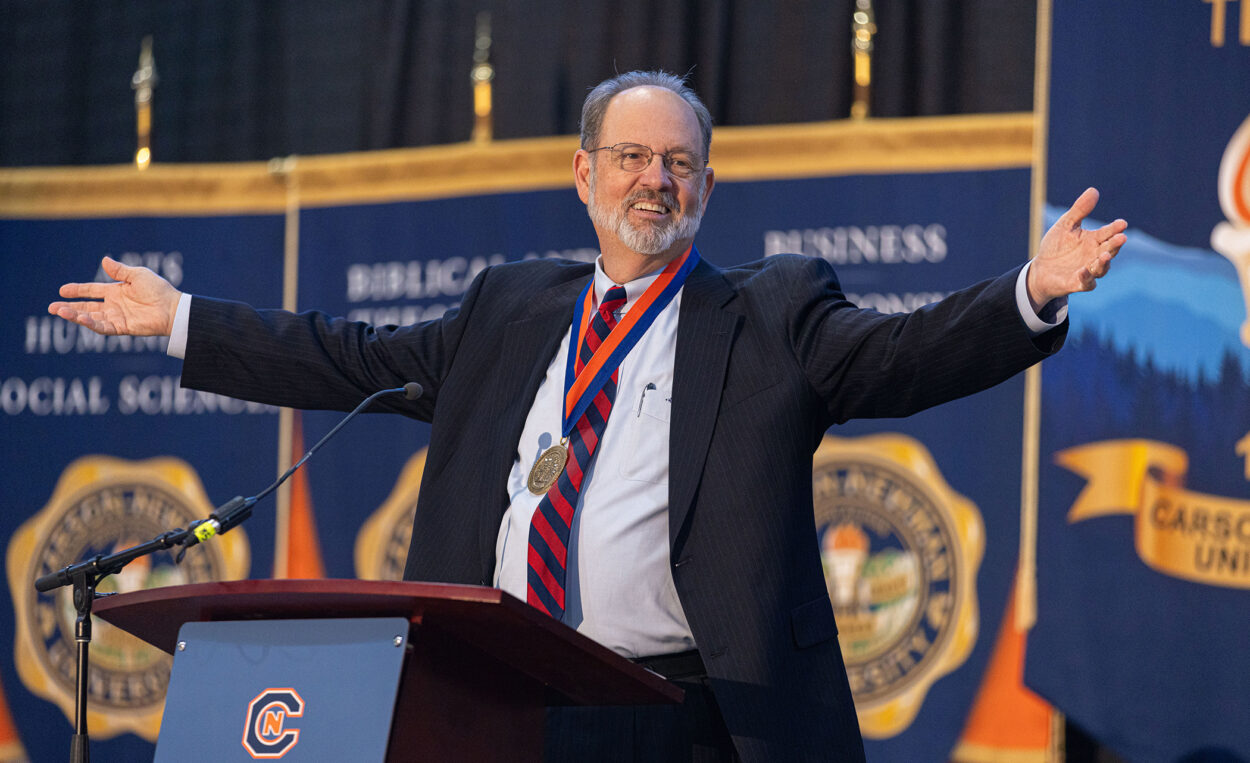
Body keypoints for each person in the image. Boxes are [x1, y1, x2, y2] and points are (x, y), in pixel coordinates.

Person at [50, 70, 1125, 762]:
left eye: (679, 163)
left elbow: (901, 355)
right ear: (584, 173)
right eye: (632, 158)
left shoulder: (771, 312)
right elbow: (352, 357)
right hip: (498, 703)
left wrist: (1028, 293)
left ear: (707, 186)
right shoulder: (509, 309)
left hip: (677, 714)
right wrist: (182, 319)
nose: (655, 181)